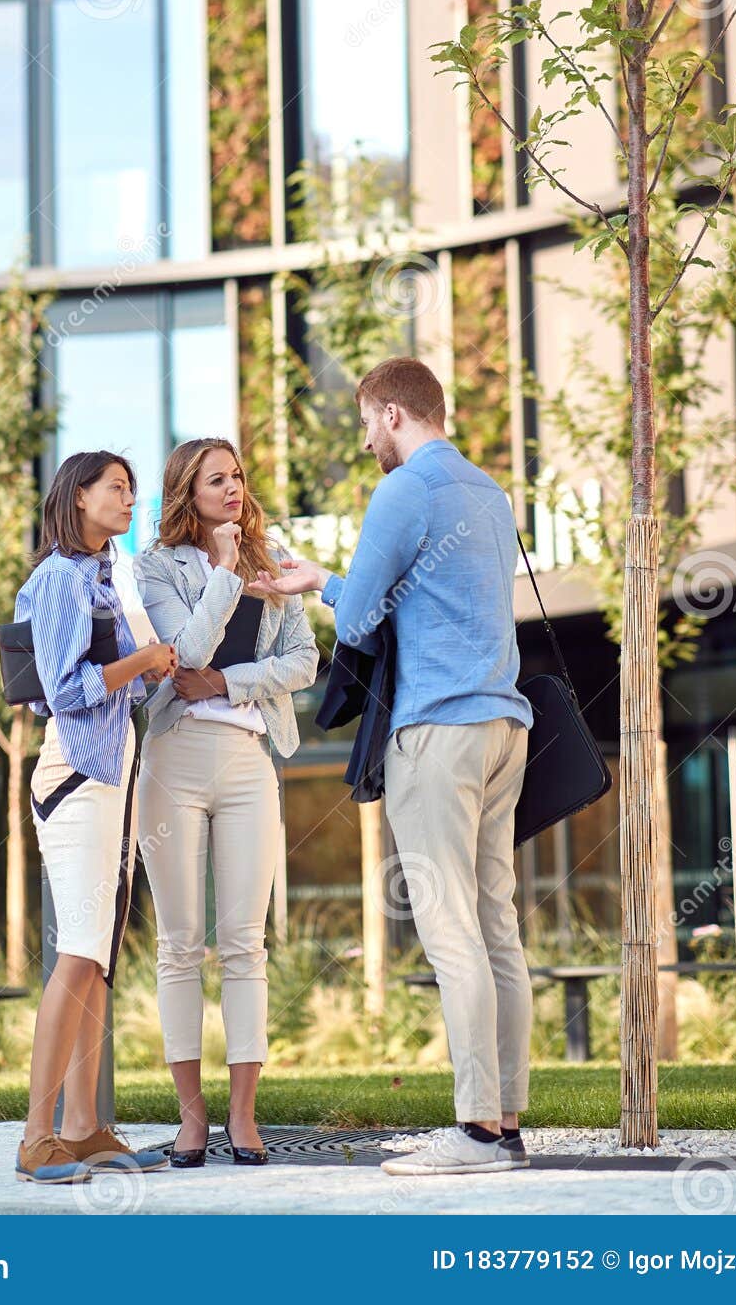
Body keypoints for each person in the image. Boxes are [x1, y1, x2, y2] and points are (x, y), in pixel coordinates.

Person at [251, 358, 535, 1176]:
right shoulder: (487, 492)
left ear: (392, 412)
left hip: (437, 731)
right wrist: (326, 580)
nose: (366, 439)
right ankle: (504, 1124)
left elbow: (367, 612)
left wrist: (322, 587)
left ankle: (476, 1133)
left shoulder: (402, 491)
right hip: (501, 723)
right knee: (495, 927)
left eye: (367, 423)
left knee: (450, 931)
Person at [134, 438, 319, 1167]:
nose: (234, 488)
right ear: (189, 490)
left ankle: (242, 1117)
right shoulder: (157, 568)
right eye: (218, 479)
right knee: (180, 946)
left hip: (248, 760)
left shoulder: (272, 560)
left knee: (245, 944)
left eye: (238, 475)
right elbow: (185, 650)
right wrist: (219, 569)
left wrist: (230, 685)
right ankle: (190, 1117)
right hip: (173, 763)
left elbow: (303, 662)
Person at [13, 450, 176, 1185]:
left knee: (99, 960)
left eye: (132, 491)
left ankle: (82, 1129)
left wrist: (149, 667)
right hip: (76, 777)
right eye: (116, 488)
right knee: (78, 950)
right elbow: (64, 690)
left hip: (116, 776)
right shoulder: (56, 580)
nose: (129, 500)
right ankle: (35, 1138)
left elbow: (113, 686)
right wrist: (141, 662)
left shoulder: (111, 574)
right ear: (78, 497)